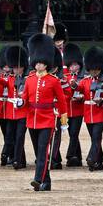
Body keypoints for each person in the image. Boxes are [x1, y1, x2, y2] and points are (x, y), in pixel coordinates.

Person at [22, 37, 71, 191]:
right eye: (36, 62)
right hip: (32, 119)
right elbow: (25, 98)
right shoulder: (29, 79)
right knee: (39, 153)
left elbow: (62, 101)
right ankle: (46, 182)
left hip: (48, 119)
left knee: (43, 151)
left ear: (46, 64)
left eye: (41, 63)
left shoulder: (54, 80)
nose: (39, 65)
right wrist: (19, 102)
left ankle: (38, 179)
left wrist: (63, 120)